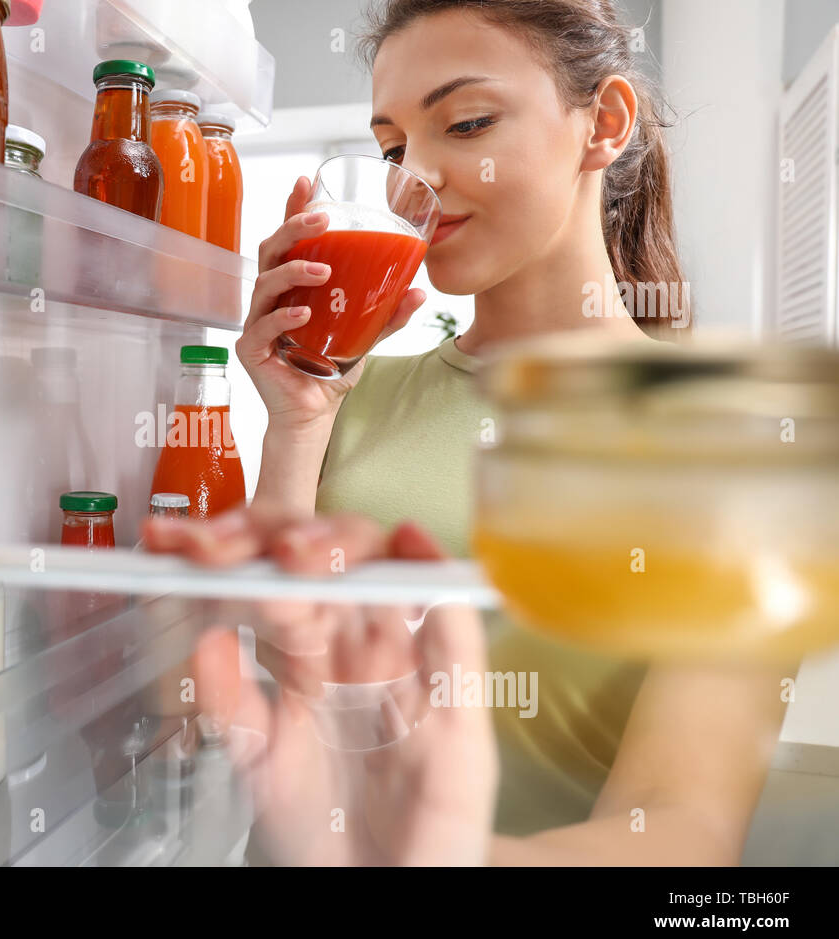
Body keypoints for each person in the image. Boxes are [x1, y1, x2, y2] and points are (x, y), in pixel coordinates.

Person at [147, 0, 788, 865]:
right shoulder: (352, 393)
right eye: (392, 148)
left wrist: (423, 852)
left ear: (603, 123)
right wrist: (296, 423)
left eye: (468, 122)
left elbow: (683, 831)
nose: (417, 177)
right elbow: (289, 649)